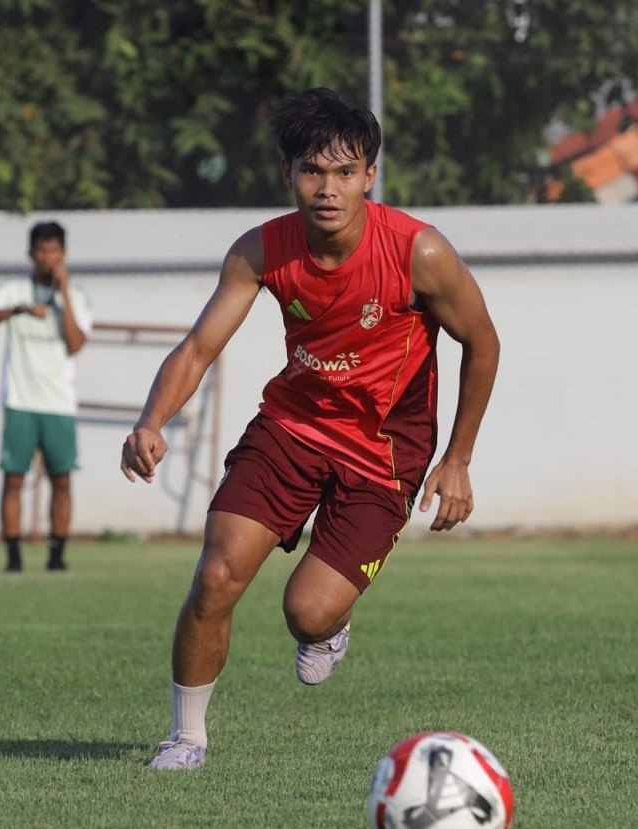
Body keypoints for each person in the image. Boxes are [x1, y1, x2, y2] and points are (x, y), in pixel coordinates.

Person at [120, 88, 500, 770]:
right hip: (290, 430)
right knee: (216, 575)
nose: (327, 189)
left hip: (382, 454)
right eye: (311, 171)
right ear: (289, 174)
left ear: (369, 177)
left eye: (344, 172)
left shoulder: (420, 253)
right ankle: (185, 737)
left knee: (307, 613)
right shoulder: (261, 249)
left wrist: (458, 459)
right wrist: (151, 419)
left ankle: (330, 627)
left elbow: (483, 341)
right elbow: (199, 347)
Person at [0, 221, 93, 572]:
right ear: (31, 254)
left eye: (54, 251)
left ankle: (56, 556)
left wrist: (65, 296)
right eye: (41, 251)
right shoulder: (15, 289)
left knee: (62, 479)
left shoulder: (78, 296)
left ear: (64, 254)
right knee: (13, 478)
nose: (48, 258)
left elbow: (75, 344)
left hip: (58, 403)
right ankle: (13, 556)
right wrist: (20, 310)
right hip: (20, 400)